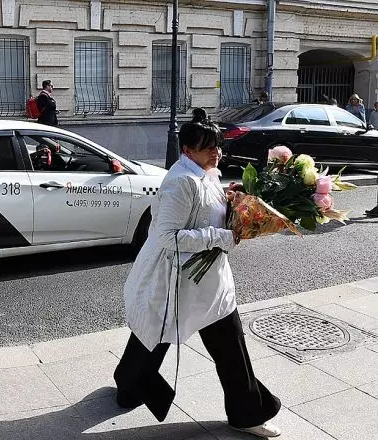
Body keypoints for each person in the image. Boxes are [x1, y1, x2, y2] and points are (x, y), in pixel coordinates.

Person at [113, 108, 282, 438]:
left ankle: (246, 413)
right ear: (187, 151)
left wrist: (234, 205)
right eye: (208, 148)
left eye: (218, 146)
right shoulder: (181, 182)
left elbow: (207, 212)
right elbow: (166, 237)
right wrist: (221, 237)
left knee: (227, 346)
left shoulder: (206, 173)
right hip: (176, 281)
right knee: (155, 335)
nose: (216, 153)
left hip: (208, 282)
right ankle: (129, 387)